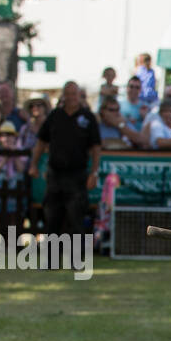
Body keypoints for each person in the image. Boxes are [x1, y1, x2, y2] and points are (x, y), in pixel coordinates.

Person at [28, 81, 101, 235]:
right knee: (52, 219)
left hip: (77, 175)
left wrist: (94, 173)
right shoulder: (55, 115)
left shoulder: (88, 118)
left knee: (76, 220)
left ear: (79, 96)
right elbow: (41, 142)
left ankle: (76, 259)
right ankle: (52, 258)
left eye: (74, 94)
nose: (71, 97)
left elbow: (96, 148)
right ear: (63, 96)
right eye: (68, 94)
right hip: (55, 175)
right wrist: (34, 164)